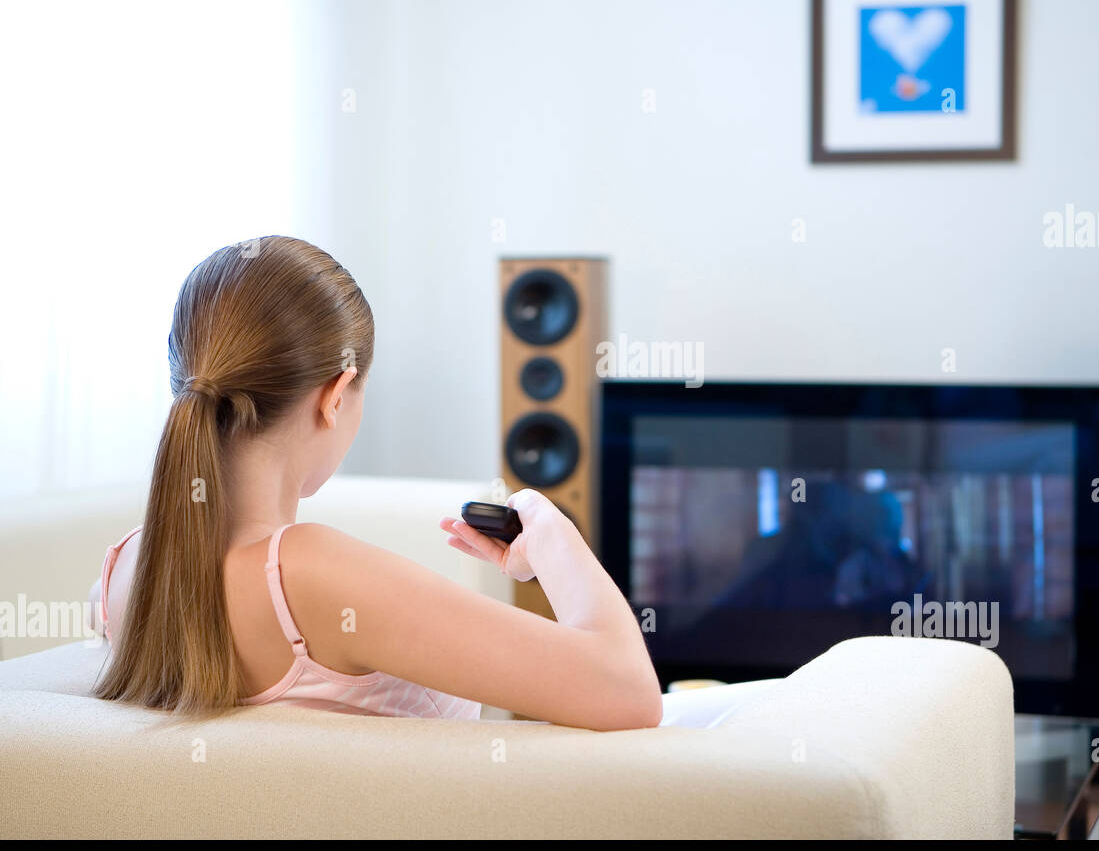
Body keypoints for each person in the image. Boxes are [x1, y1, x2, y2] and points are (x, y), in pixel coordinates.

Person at [90, 237, 770, 730]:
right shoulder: (311, 572)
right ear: (337, 394)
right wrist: (554, 537)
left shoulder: (121, 573)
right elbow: (630, 695)